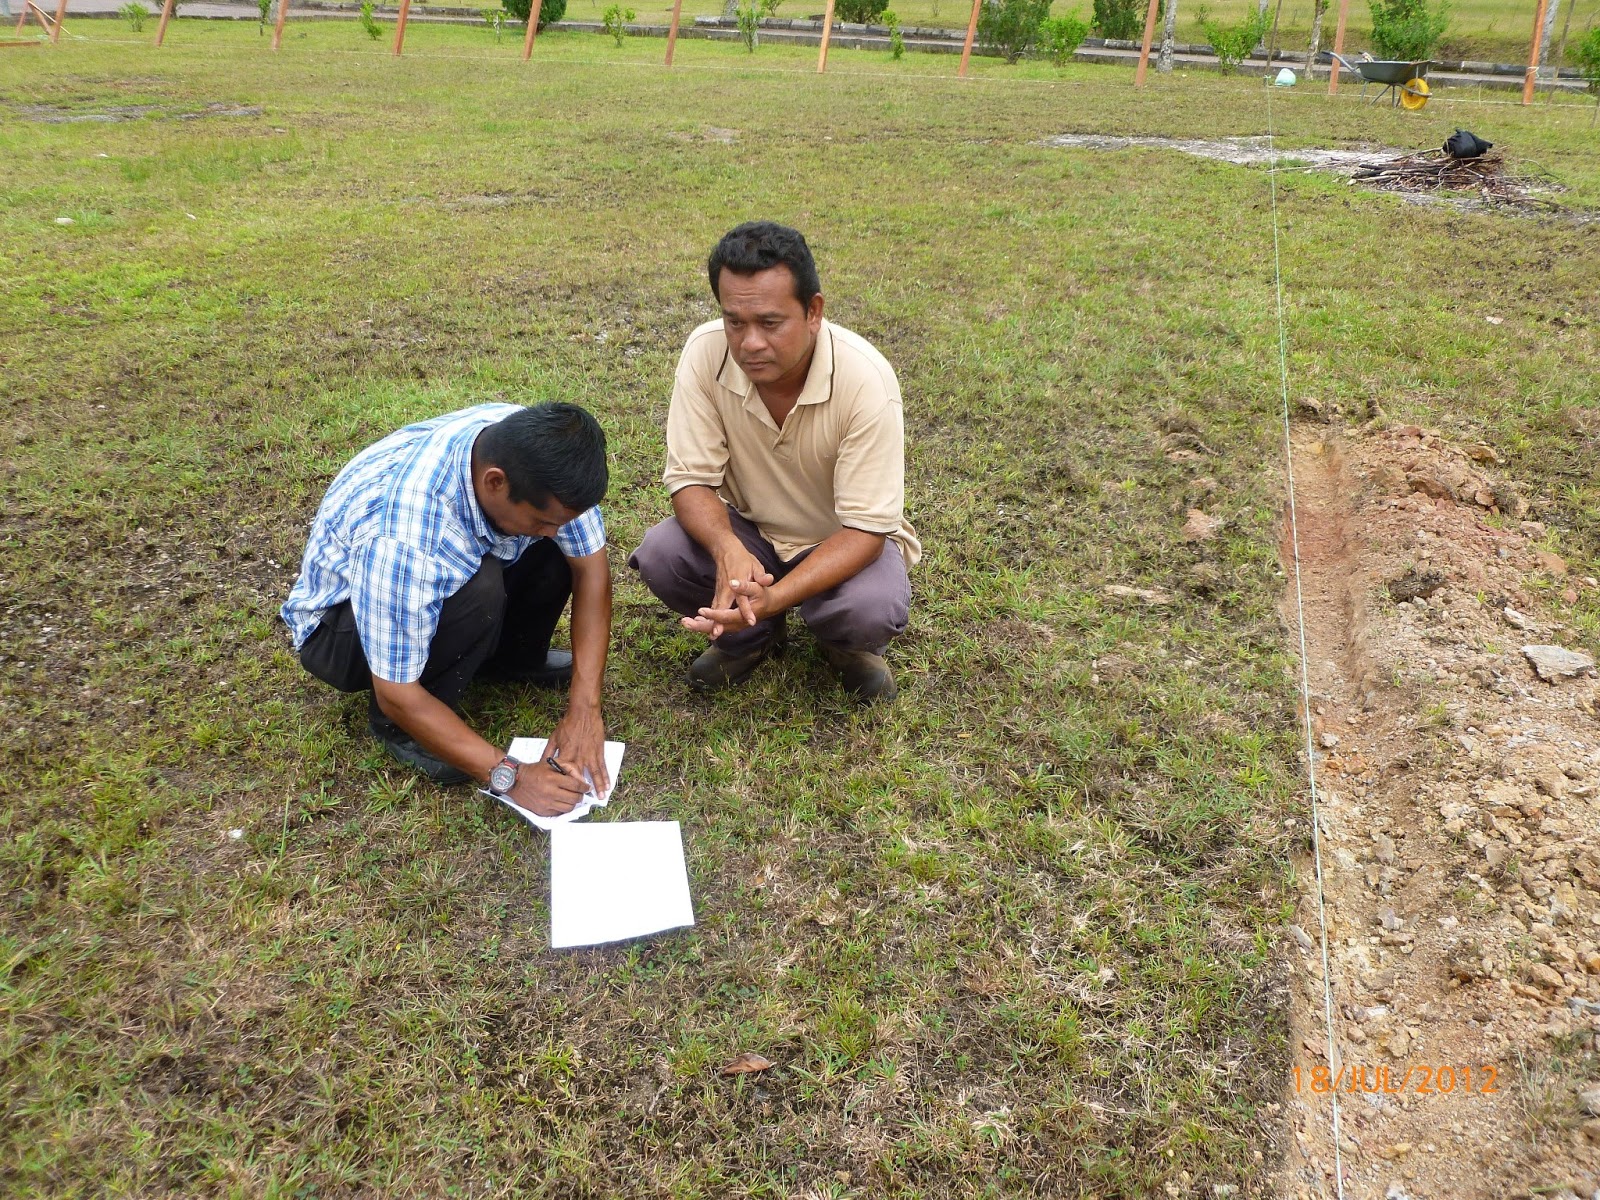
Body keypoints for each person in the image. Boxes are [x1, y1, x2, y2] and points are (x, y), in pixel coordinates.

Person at [629, 222, 918, 701]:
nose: (749, 343)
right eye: (734, 321)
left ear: (813, 311)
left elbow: (867, 531)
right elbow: (691, 481)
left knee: (869, 608)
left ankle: (843, 645)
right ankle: (752, 638)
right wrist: (726, 547)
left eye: (769, 322)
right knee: (664, 555)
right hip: (753, 533)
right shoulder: (705, 353)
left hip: (837, 538)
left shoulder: (866, 380)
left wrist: (774, 597)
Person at [282, 402, 611, 818]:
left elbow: (592, 572)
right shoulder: (407, 540)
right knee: (480, 586)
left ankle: (509, 658)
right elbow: (396, 693)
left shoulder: (541, 456)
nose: (555, 528)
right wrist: (510, 774)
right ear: (495, 482)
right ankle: (399, 731)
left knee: (553, 547)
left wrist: (585, 707)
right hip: (340, 630)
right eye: (543, 518)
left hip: (417, 577)